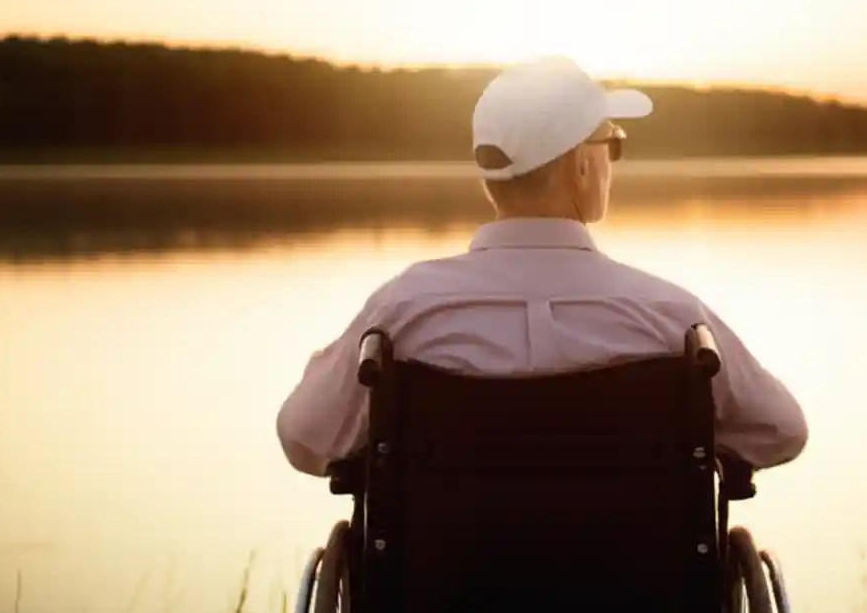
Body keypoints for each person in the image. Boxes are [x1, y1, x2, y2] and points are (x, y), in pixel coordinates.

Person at [277, 56, 807, 477]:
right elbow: (782, 430)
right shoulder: (672, 319)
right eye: (612, 144)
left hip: (443, 609)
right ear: (581, 165)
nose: (612, 160)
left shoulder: (404, 311)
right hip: (635, 608)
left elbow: (305, 436)